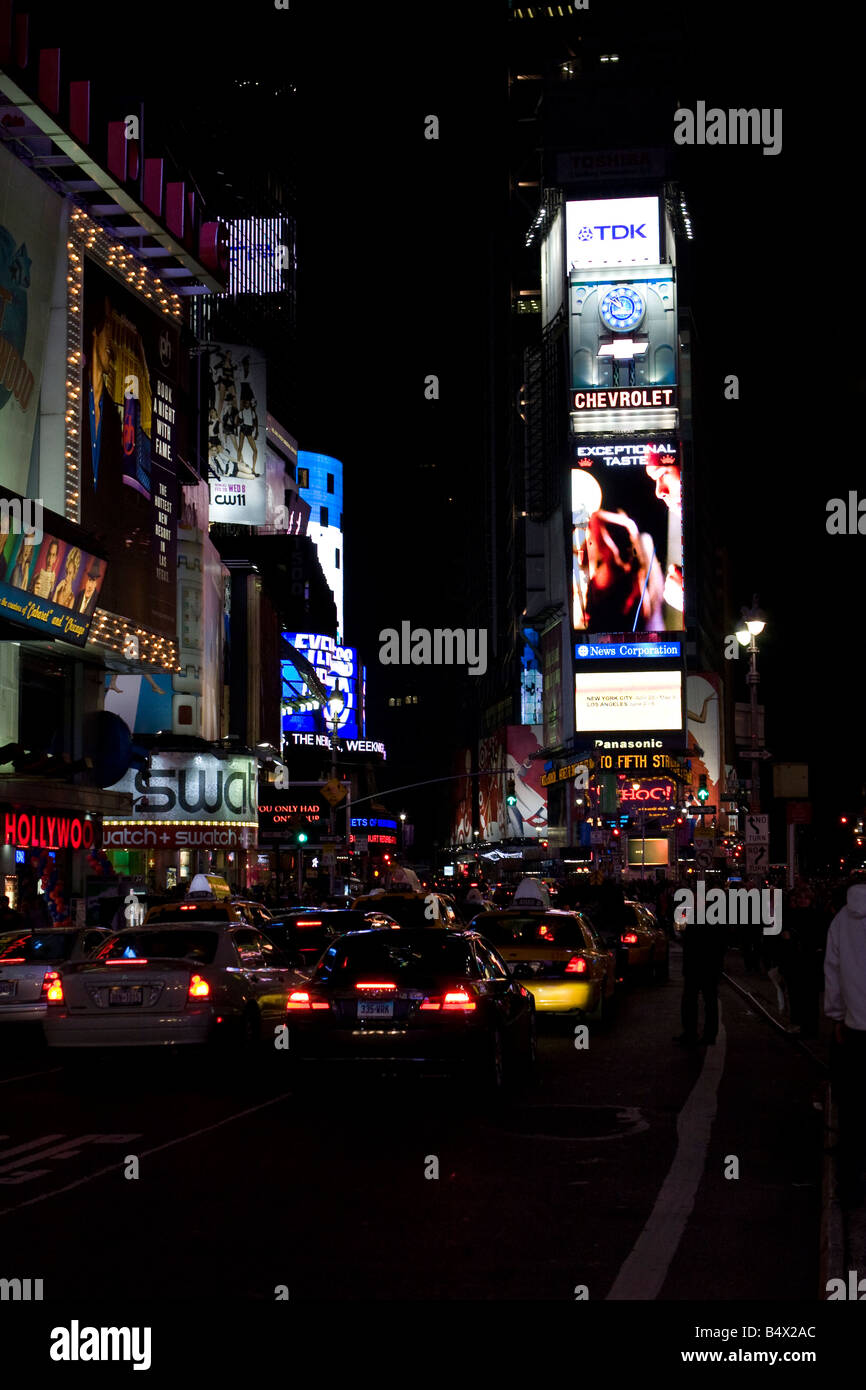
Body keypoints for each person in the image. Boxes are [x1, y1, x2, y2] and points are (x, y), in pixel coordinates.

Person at [824, 880, 866, 1203]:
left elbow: (833, 973)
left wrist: (837, 1015)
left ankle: (849, 1184)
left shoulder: (840, 920)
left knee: (852, 1110)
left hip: (854, 1028)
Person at [674, 883, 728, 1046]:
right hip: (693, 963)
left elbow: (721, 942)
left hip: (707, 964)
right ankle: (691, 1032)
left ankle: (708, 1034)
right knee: (691, 1000)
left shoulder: (714, 916)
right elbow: (680, 931)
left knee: (708, 1000)